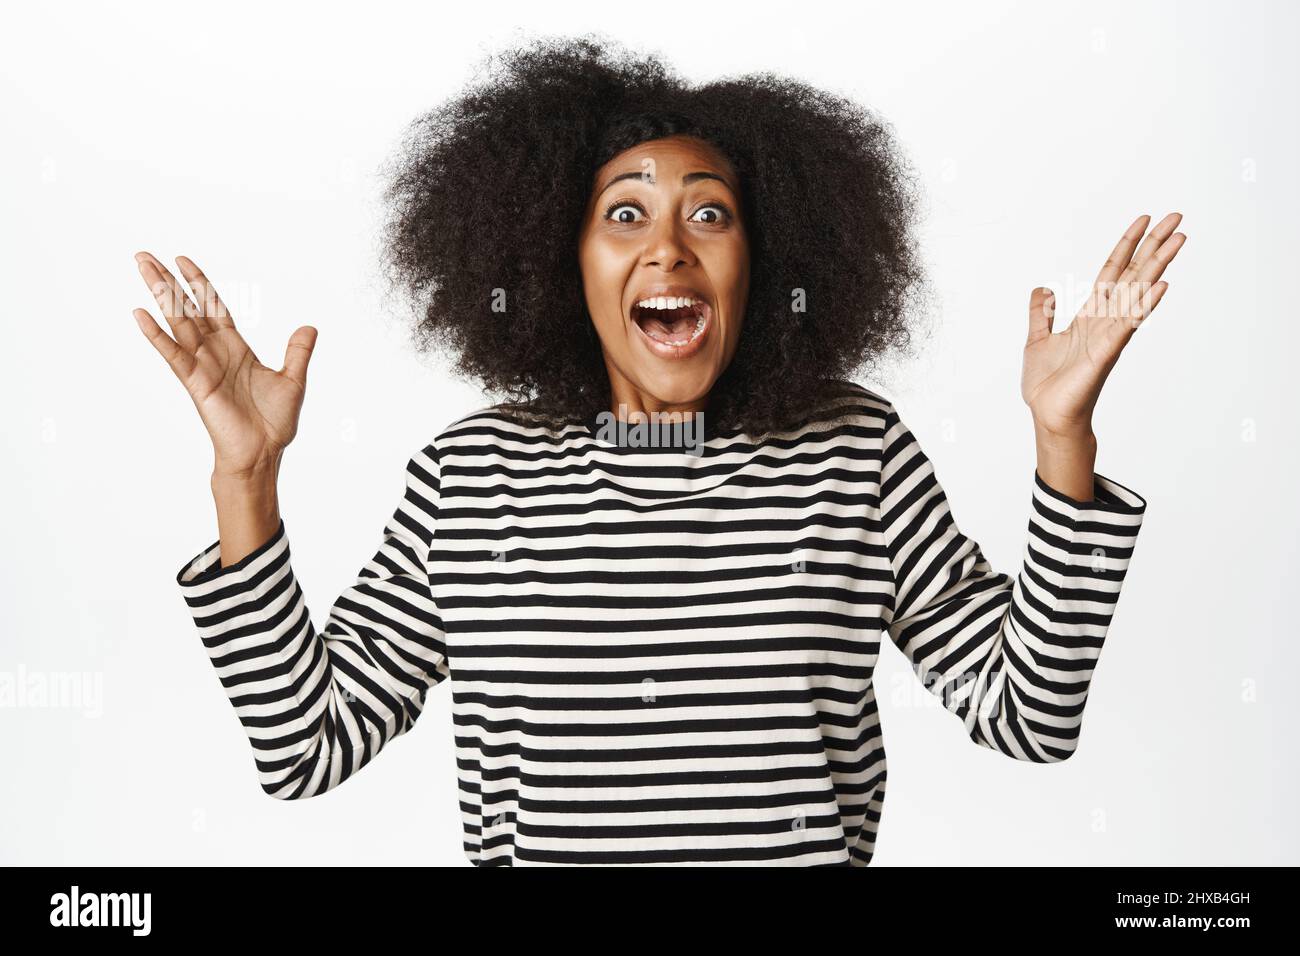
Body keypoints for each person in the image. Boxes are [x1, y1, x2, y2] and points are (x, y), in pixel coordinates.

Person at [132, 37, 1181, 866]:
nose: (667, 248)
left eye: (708, 215)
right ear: (561, 259)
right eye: (623, 213)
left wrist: (1060, 442)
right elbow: (306, 744)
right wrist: (246, 480)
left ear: (763, 261)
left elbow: (1028, 716)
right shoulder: (472, 475)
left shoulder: (854, 452)